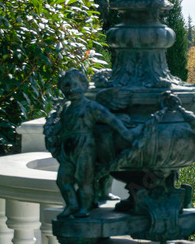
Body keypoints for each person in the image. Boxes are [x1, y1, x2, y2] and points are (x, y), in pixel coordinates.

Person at [52, 69, 141, 218]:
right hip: (67, 149)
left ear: (84, 86)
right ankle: (72, 204)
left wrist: (127, 133)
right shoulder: (66, 108)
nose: (71, 89)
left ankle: (84, 208)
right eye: (66, 86)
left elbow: (111, 120)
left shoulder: (90, 106)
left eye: (74, 85)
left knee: (84, 180)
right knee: (62, 179)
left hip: (84, 147)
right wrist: (53, 134)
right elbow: (61, 125)